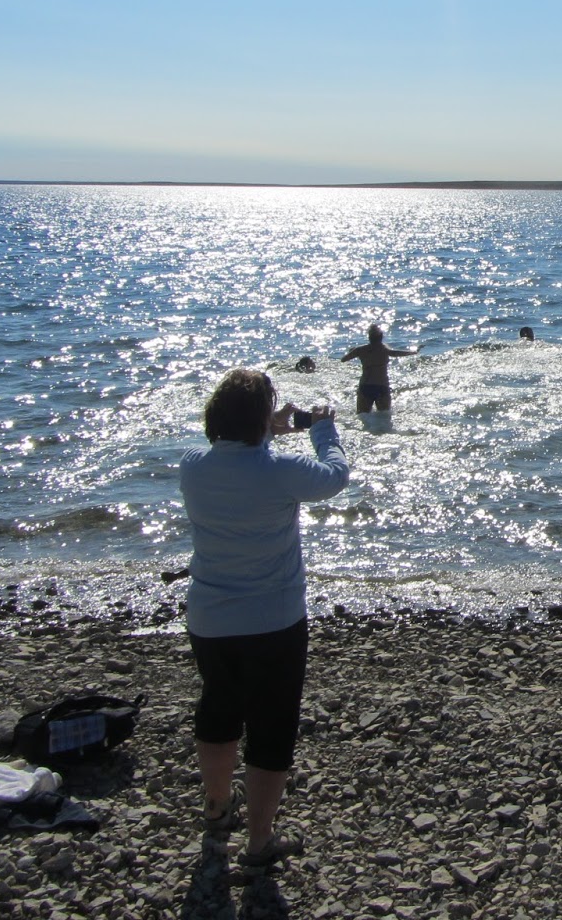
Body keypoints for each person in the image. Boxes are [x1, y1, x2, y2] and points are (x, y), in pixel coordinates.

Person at [178, 369, 350, 870]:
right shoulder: (281, 471)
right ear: (258, 421)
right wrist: (322, 429)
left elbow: (232, 451)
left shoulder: (192, 467)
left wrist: (265, 427)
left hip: (209, 617)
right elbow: (336, 476)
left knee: (219, 710)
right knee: (271, 727)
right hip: (273, 620)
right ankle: (258, 842)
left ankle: (216, 811)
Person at [340, 325, 416, 413]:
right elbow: (395, 353)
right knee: (384, 417)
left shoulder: (360, 350)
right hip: (382, 386)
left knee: (363, 416)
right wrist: (413, 352)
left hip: (366, 386)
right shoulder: (384, 349)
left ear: (369, 337)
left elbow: (343, 359)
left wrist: (354, 350)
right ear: (381, 337)